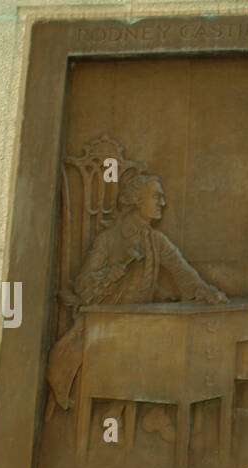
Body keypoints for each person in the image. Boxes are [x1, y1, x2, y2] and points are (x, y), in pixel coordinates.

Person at [46, 173, 227, 441]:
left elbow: (182, 272)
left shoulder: (157, 241)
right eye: (156, 196)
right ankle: (128, 409)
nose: (163, 203)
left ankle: (147, 411)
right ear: (135, 200)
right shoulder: (109, 239)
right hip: (103, 327)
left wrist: (206, 291)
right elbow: (83, 284)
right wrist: (110, 275)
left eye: (162, 197)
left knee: (174, 340)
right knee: (153, 343)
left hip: (140, 323)